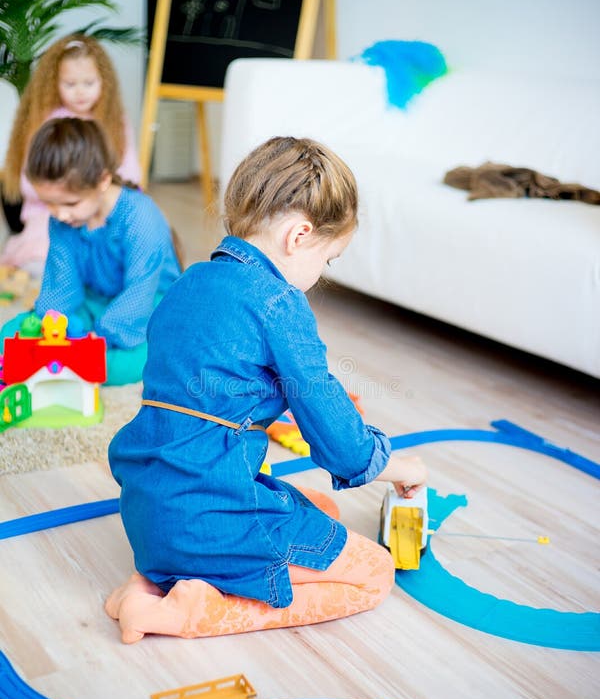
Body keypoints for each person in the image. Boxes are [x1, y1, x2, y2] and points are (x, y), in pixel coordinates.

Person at [106, 135, 427, 643]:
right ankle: (191, 611)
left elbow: (208, 391)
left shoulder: (189, 282)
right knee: (374, 574)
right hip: (205, 512)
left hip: (148, 509)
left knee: (324, 508)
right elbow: (344, 449)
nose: (319, 275)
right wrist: (400, 466)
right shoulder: (280, 302)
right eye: (329, 259)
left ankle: (154, 582)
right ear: (299, 236)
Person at [0, 118, 181, 385]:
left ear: (103, 180)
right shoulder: (62, 221)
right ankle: (72, 361)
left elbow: (140, 292)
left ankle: (77, 362)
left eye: (70, 203)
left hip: (148, 305)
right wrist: (53, 324)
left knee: (136, 361)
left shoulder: (141, 217)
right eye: (49, 203)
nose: (59, 214)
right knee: (11, 335)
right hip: (95, 298)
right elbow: (62, 285)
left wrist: (99, 339)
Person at [0, 34, 141, 275]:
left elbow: (131, 175)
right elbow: (29, 181)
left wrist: (97, 198)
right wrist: (67, 199)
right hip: (51, 212)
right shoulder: (49, 124)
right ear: (56, 83)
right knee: (48, 259)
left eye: (88, 83)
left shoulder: (116, 122)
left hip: (102, 211)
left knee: (117, 255)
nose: (80, 92)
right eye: (70, 84)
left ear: (103, 81)